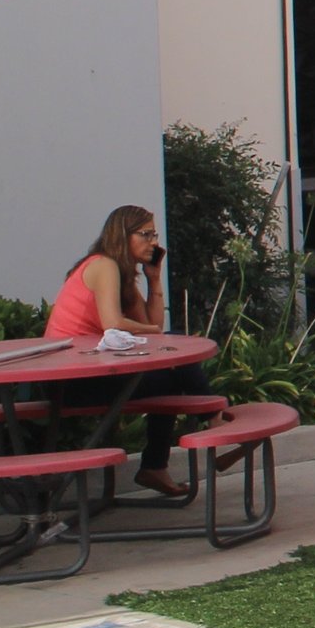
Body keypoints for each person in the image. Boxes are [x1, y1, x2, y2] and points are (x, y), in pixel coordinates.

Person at [46, 205, 226, 496]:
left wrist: (154, 279)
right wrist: (157, 333)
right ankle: (212, 425)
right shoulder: (103, 265)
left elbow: (152, 326)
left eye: (154, 235)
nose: (153, 242)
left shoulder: (122, 275)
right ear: (123, 235)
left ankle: (162, 462)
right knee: (172, 364)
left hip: (94, 372)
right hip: (71, 381)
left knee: (170, 369)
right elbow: (114, 322)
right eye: (145, 234)